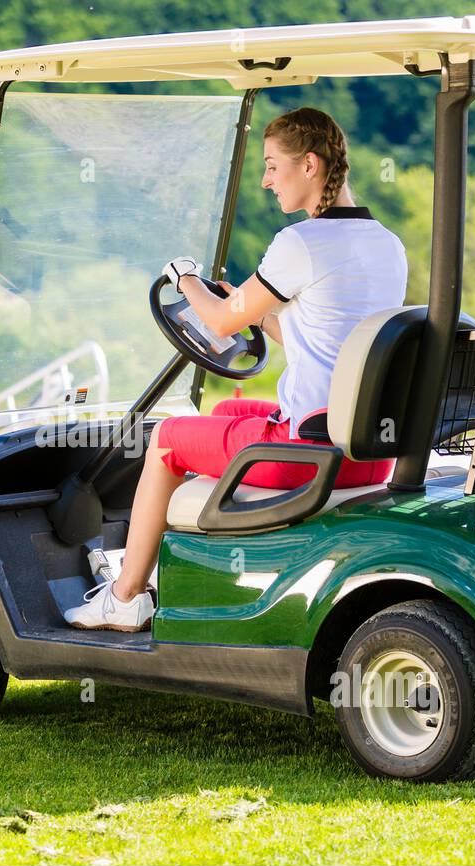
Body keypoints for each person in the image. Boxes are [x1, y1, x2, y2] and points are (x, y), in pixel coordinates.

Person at [65, 106, 409, 631]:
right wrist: (255, 315)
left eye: (273, 166)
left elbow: (223, 322)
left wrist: (184, 279)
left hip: (307, 455)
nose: (267, 181)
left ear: (310, 165)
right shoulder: (387, 244)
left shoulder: (301, 243)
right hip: (365, 453)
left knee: (165, 442)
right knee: (228, 408)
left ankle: (127, 593)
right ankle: (180, 564)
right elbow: (319, 333)